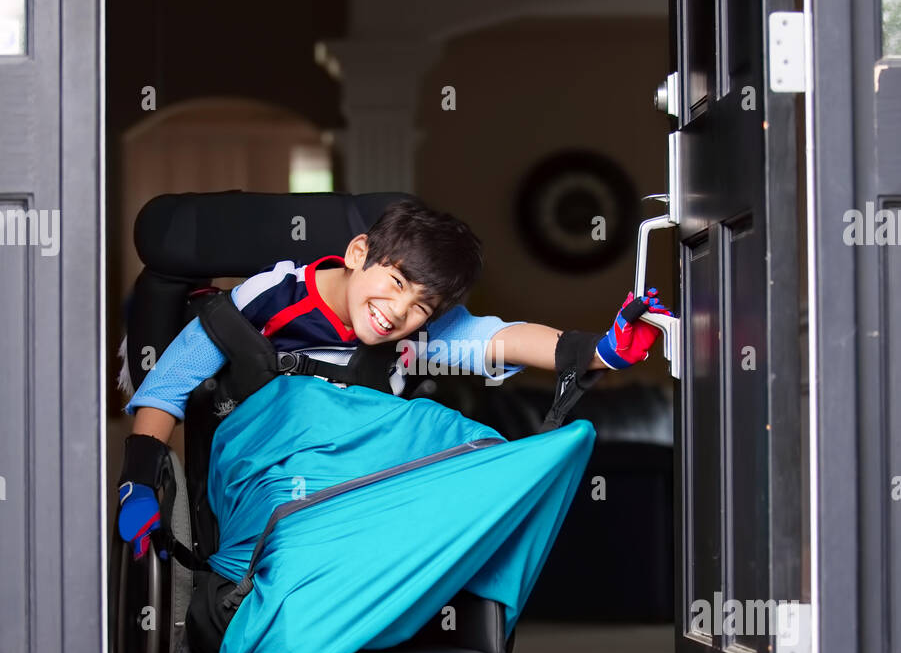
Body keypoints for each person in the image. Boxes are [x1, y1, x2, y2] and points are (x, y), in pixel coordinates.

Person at [117, 198, 672, 561]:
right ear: (359, 253)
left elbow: (497, 339)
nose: (397, 311)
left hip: (373, 467)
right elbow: (172, 380)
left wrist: (598, 353)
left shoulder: (415, 329)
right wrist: (140, 480)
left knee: (457, 436)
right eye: (397, 281)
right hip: (275, 464)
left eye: (422, 306)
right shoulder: (269, 296)